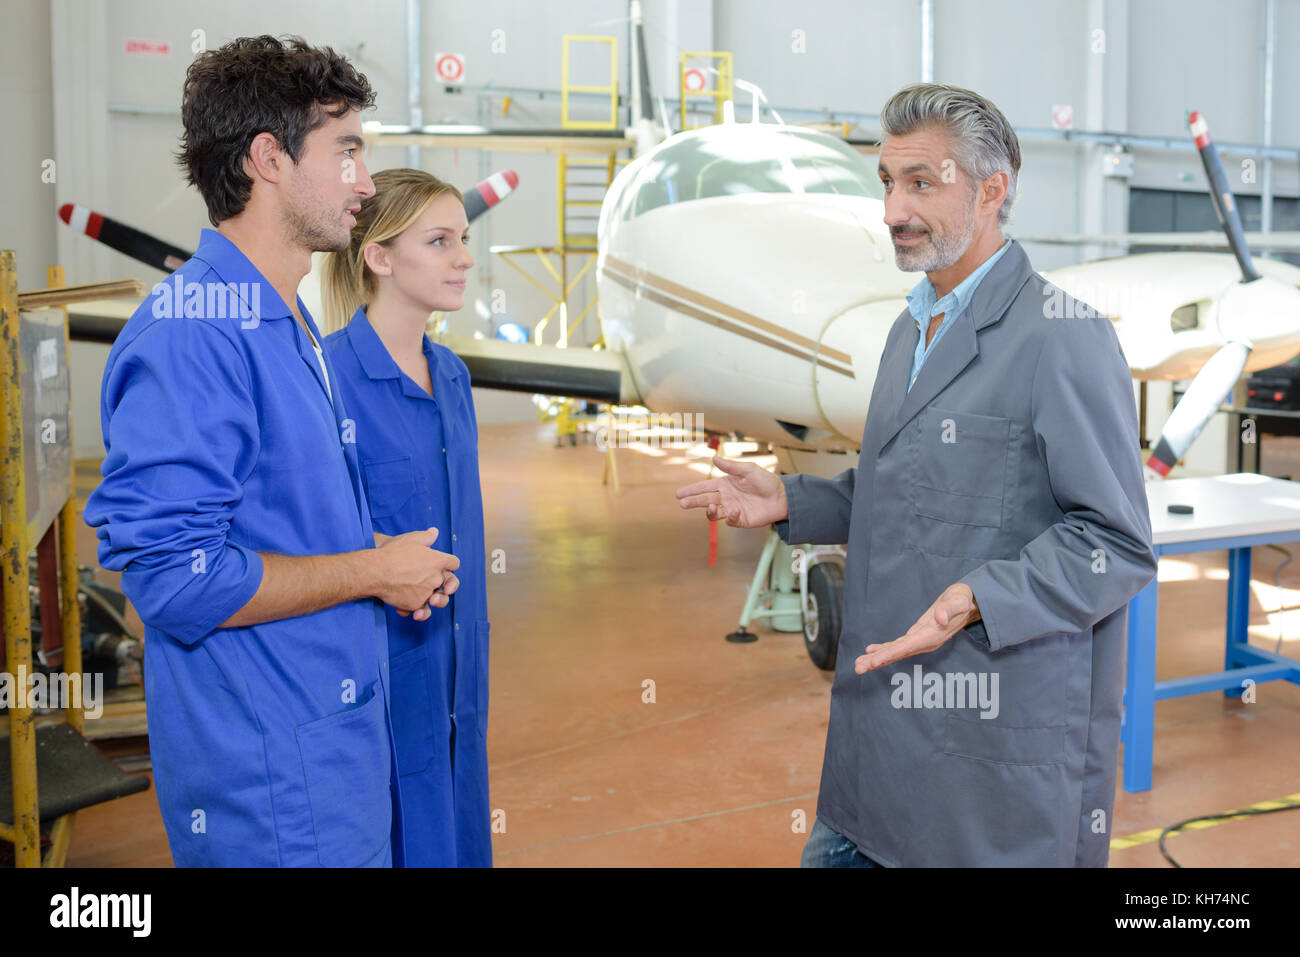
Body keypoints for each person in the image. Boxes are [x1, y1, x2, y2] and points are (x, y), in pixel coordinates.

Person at [676, 83, 1156, 867]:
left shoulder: (1062, 337)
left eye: (922, 183)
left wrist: (980, 597)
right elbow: (905, 488)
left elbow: (1116, 542)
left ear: (994, 190)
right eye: (888, 183)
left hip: (986, 773)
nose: (894, 210)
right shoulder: (911, 327)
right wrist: (793, 499)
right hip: (872, 762)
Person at [84, 36, 461, 867]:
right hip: (273, 800)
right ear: (269, 159)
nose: (366, 182)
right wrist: (372, 569)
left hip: (329, 767)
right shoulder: (195, 336)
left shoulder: (285, 323)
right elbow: (178, 582)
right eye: (348, 151)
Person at [321, 168, 491, 867]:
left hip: (461, 668)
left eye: (465, 238)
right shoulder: (328, 380)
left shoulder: (452, 375)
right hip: (381, 673)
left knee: (460, 827)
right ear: (380, 257)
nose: (465, 257)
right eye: (441, 240)